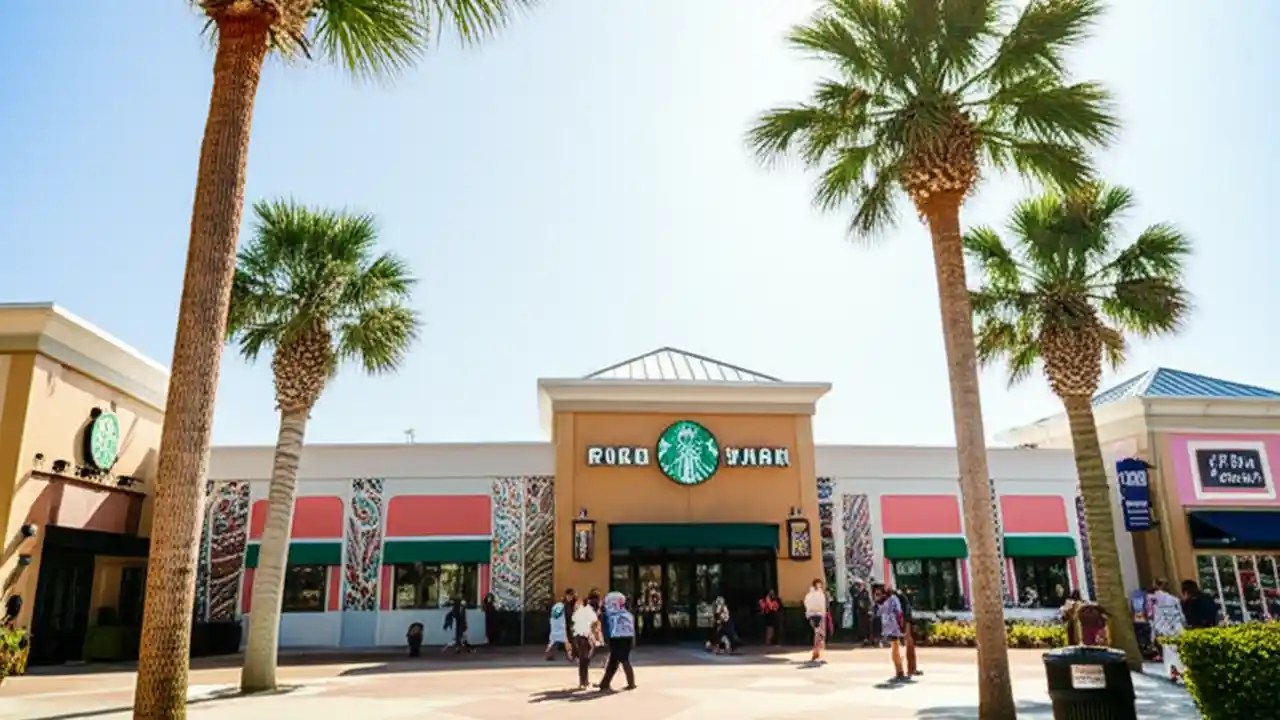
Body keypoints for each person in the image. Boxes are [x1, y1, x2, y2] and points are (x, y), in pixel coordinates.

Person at [597, 591, 637, 692]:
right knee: (614, 661)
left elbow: (607, 628)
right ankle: (604, 684)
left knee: (623, 660)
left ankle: (631, 683)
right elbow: (632, 629)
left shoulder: (612, 615)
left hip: (617, 639)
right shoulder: (627, 614)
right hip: (626, 639)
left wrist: (605, 640)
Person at [876, 585, 907, 682]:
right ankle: (899, 670)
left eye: (879, 593)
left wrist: (900, 625)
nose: (878, 595)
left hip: (894, 628)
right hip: (889, 628)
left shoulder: (893, 599)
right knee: (894, 650)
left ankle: (900, 671)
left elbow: (898, 612)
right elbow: (879, 613)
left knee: (895, 651)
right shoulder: (884, 602)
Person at [571, 595, 600, 689]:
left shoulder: (578, 611)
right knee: (586, 660)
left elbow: (573, 621)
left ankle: (582, 681)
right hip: (586, 636)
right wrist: (597, 638)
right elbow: (595, 623)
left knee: (581, 660)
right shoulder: (589, 611)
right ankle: (585, 681)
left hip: (577, 637)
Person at [546, 589, 575, 661]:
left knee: (561, 641)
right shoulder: (563, 604)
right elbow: (559, 615)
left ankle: (569, 656)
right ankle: (569, 656)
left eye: (571, 595)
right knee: (562, 641)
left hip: (564, 625)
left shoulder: (568, 604)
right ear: (566, 595)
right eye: (569, 595)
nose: (570, 597)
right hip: (562, 625)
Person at [803, 579, 828, 662]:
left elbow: (807, 604)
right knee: (819, 635)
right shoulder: (818, 594)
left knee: (817, 634)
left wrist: (808, 614)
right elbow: (822, 605)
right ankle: (817, 653)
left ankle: (816, 653)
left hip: (814, 615)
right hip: (818, 616)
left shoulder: (810, 594)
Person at [898, 587, 921, 676]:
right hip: (906, 624)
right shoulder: (903, 598)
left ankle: (911, 669)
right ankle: (910, 669)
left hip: (906, 623)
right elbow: (906, 614)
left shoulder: (902, 598)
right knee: (909, 647)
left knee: (909, 647)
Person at [851, 580, 873, 646]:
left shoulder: (865, 592)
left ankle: (868, 640)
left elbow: (868, 602)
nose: (859, 587)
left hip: (865, 612)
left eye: (860, 585)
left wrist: (868, 609)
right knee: (862, 627)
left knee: (866, 627)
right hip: (860, 612)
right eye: (858, 586)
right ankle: (864, 639)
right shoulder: (858, 593)